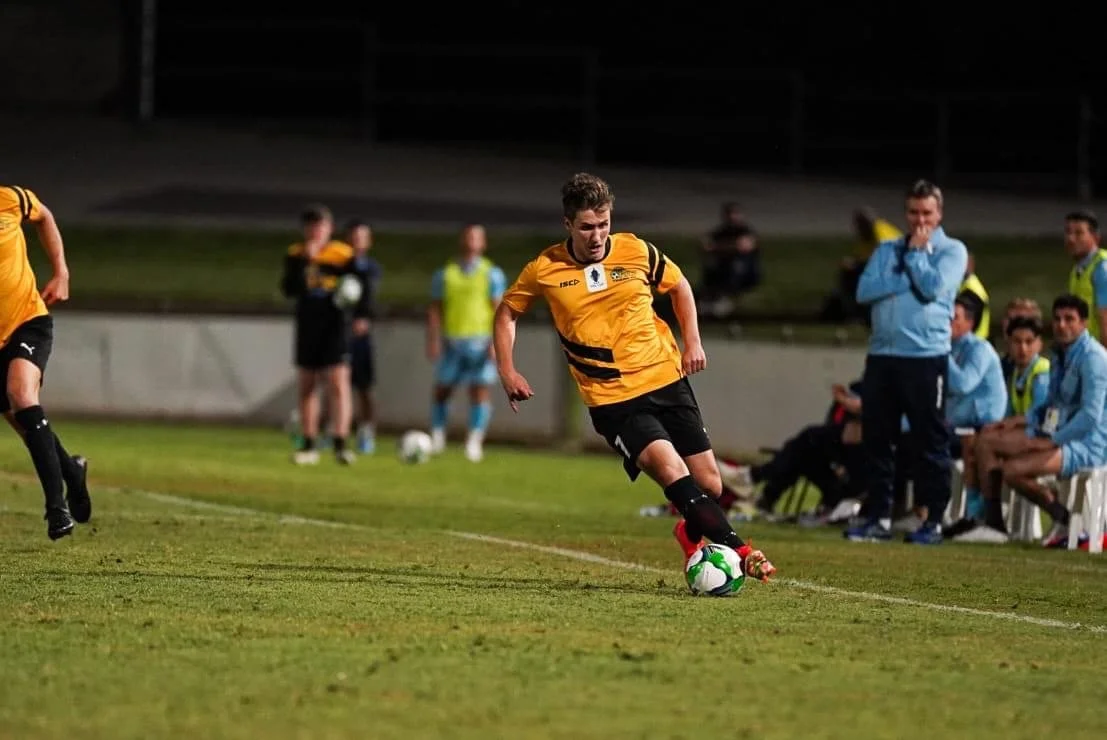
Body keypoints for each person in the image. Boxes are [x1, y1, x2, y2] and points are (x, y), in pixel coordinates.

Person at [493, 173, 775, 581]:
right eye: (587, 226)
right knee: (671, 472)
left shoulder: (635, 249)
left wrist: (692, 342)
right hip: (613, 399)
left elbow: (679, 288)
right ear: (568, 224)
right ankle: (742, 550)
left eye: (604, 223)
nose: (597, 235)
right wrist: (507, 369)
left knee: (709, 486)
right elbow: (507, 313)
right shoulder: (545, 269)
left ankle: (689, 530)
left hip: (666, 377)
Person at [846, 179, 968, 545]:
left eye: (927, 213)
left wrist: (914, 257)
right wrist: (907, 273)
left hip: (925, 358)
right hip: (883, 356)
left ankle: (933, 519)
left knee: (930, 439)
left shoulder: (952, 251)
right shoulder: (887, 248)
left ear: (939, 213)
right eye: (914, 212)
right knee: (878, 438)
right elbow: (863, 291)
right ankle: (879, 516)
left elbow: (932, 288)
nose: (919, 221)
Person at [973, 295, 1107, 548]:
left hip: (1087, 444)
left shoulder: (1093, 358)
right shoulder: (1060, 354)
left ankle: (1061, 513)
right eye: (1057, 319)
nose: (1062, 325)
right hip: (1054, 433)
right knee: (986, 442)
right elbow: (1050, 405)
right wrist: (1019, 422)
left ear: (1084, 324)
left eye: (1070, 319)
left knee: (1012, 470)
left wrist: (1051, 441)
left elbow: (1090, 417)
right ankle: (993, 525)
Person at [0, 184, 91, 540]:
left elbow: (45, 216)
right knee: (26, 423)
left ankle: (57, 509)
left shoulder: (9, 198)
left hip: (27, 320)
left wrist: (61, 271)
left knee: (21, 395)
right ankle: (73, 473)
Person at [280, 204, 369, 465]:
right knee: (308, 383)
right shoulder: (296, 254)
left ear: (329, 229)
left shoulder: (343, 255)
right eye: (312, 227)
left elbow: (361, 287)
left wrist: (361, 314)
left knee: (338, 382)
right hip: (308, 324)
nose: (316, 231)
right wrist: (306, 261)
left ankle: (340, 442)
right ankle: (308, 443)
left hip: (335, 325)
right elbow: (289, 288)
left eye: (321, 226)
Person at [951, 314, 1050, 543]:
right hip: (1023, 438)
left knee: (983, 444)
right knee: (972, 443)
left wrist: (1010, 424)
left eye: (1028, 342)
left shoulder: (1041, 371)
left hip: (1041, 441)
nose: (1022, 348)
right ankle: (976, 515)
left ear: (1039, 344)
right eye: (1017, 342)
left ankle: (992, 521)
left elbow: (1042, 416)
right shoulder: (1016, 372)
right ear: (1009, 343)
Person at [427, 224, 506, 462]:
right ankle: (438, 436)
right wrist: (433, 339)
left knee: (479, 390)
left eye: (476, 237)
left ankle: (474, 440)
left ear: (483, 243)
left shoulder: (491, 273)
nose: (471, 241)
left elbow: (499, 310)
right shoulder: (446, 273)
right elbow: (435, 309)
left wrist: (496, 343)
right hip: (452, 342)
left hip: (480, 342)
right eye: (468, 236)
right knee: (442, 390)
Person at [343, 219, 382, 454]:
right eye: (353, 236)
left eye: (361, 237)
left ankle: (366, 431)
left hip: (360, 335)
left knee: (364, 386)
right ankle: (336, 429)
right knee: (337, 384)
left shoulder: (371, 268)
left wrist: (364, 319)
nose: (357, 241)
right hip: (339, 331)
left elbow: (369, 299)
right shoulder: (338, 265)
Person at [1064, 210, 1107, 345]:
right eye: (1068, 232)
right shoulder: (1079, 269)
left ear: (1095, 238)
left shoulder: (1102, 269)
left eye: (1078, 233)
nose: (1071, 238)